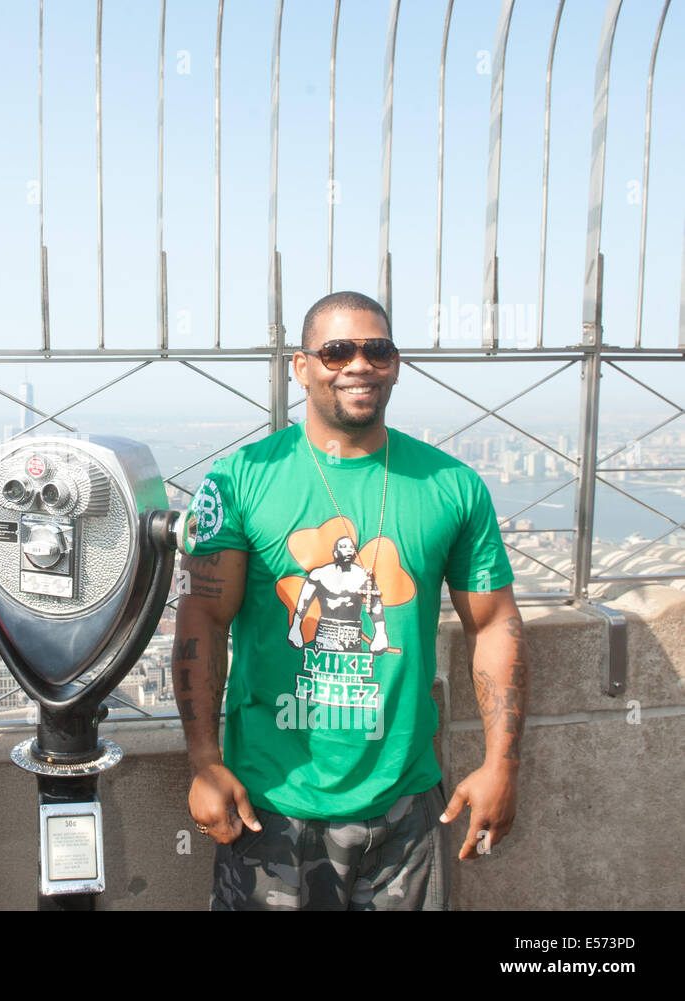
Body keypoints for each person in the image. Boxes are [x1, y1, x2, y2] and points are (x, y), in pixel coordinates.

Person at [174, 291, 529, 910]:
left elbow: (495, 624)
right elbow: (202, 617)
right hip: (274, 804)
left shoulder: (451, 486)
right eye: (337, 352)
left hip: (406, 807)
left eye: (378, 350)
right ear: (301, 366)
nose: (359, 365)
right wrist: (204, 762)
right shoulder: (239, 480)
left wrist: (503, 763)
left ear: (395, 363)